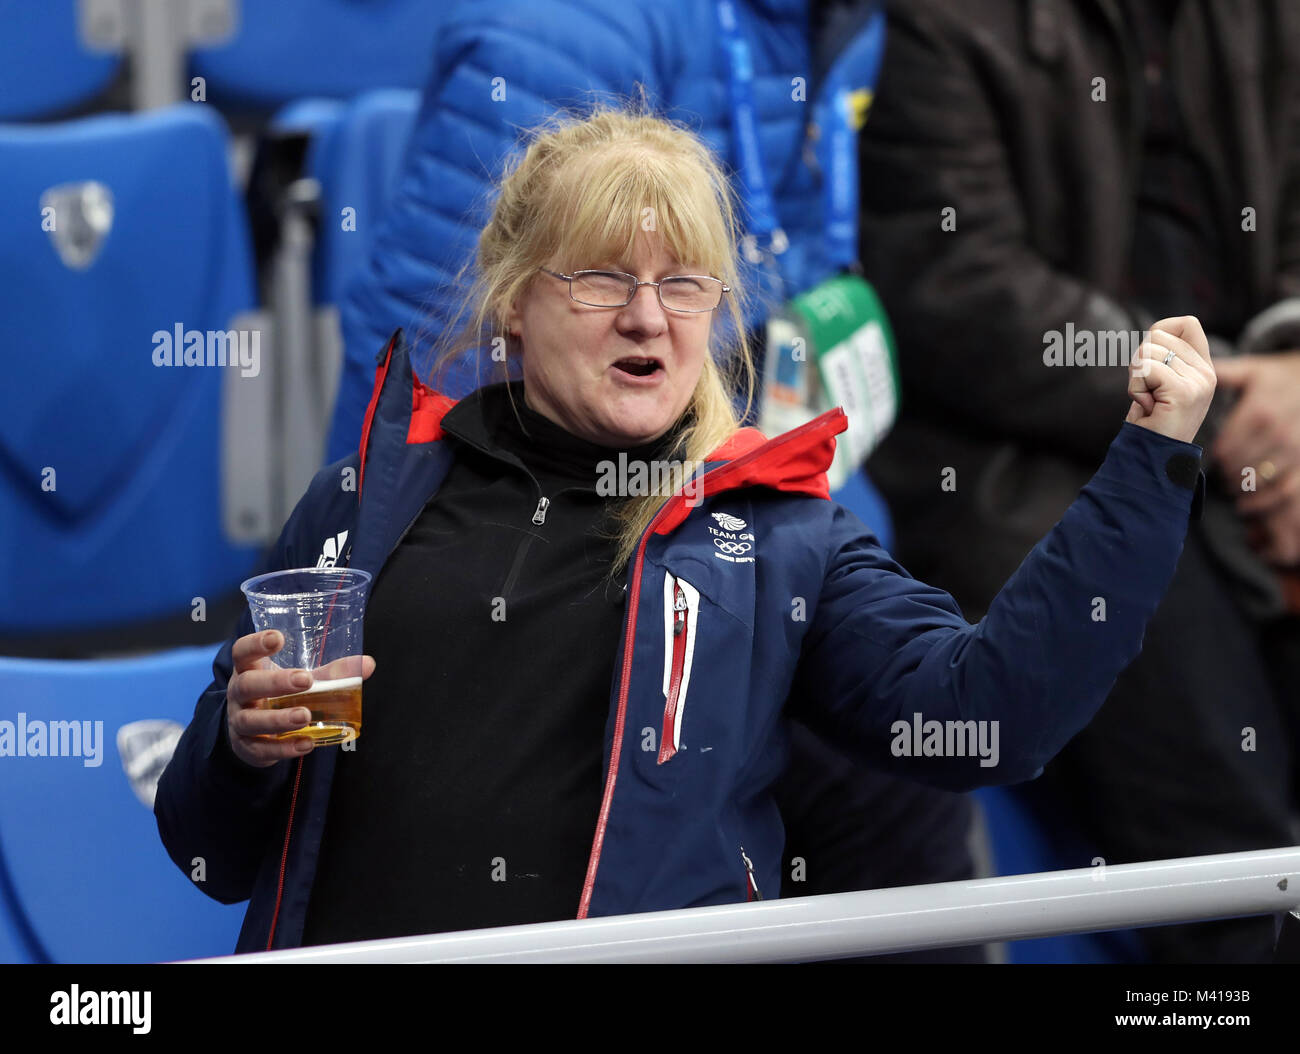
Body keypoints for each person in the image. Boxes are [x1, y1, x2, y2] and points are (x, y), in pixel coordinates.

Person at [154, 104, 1213, 956]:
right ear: (515, 301)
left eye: (682, 284)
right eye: (604, 276)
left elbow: (990, 713)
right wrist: (240, 748)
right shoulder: (365, 499)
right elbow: (208, 849)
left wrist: (1148, 466)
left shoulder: (777, 536)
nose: (647, 317)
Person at [856, 0, 1300, 962]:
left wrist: (1291, 375)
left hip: (1271, 422)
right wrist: (1218, 407)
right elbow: (959, 287)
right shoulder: (941, 24)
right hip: (1036, 473)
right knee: (1231, 850)